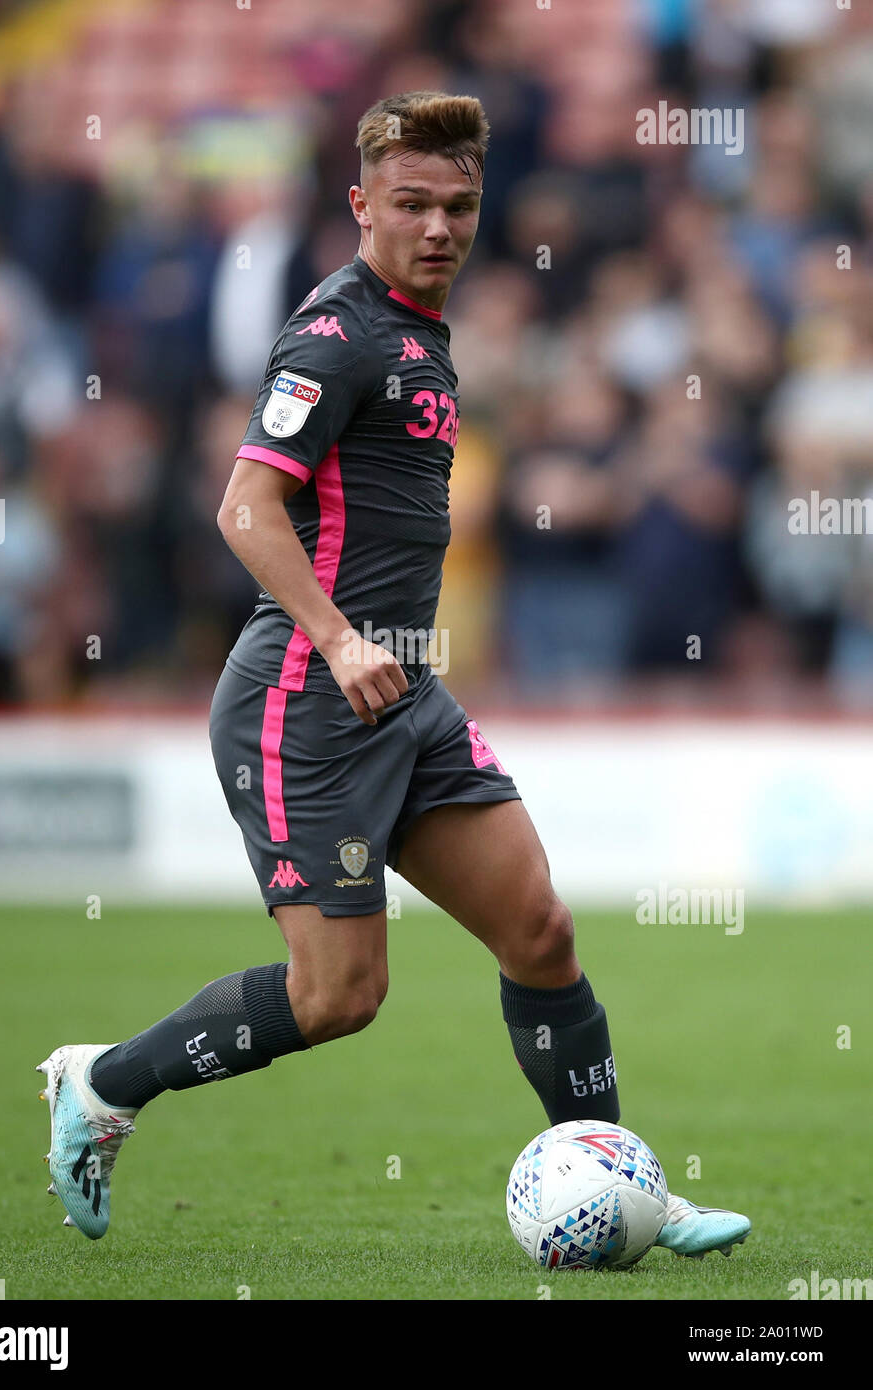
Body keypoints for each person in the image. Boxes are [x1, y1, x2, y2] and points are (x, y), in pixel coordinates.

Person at [37, 92, 750, 1262]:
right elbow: (244, 506)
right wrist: (336, 636)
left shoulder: (424, 332)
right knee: (337, 999)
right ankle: (101, 1084)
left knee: (539, 930)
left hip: (403, 690)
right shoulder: (336, 335)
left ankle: (620, 1180)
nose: (437, 226)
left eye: (458, 205)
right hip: (308, 693)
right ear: (360, 204)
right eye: (410, 204)